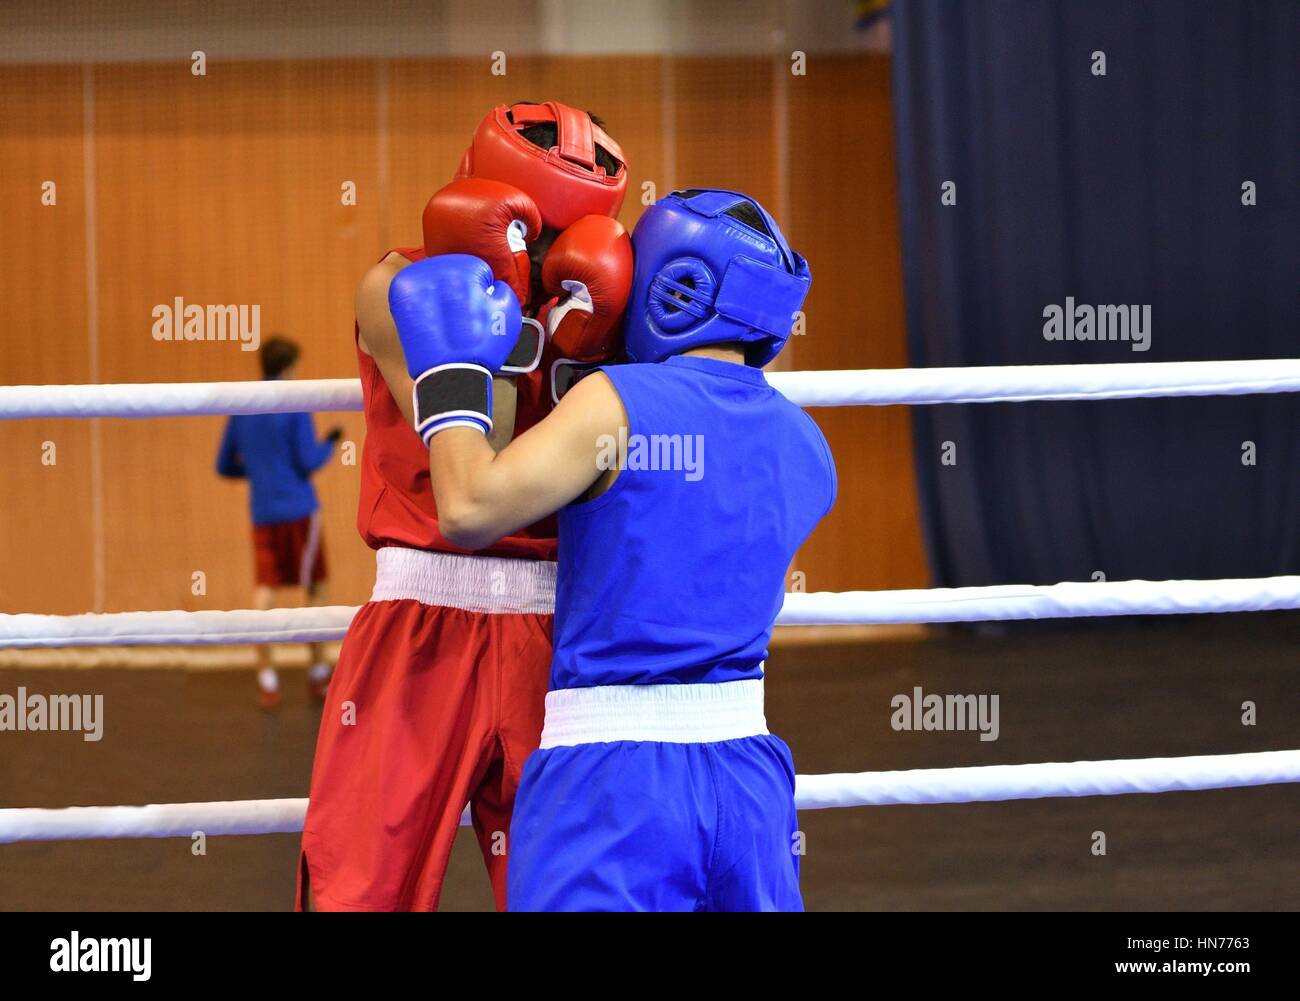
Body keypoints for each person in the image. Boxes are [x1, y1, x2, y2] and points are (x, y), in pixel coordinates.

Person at [388, 188, 836, 911]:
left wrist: (454, 374)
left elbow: (469, 508)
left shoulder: (613, 402)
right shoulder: (809, 448)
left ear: (666, 283)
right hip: (750, 781)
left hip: (613, 782)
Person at [298, 101, 632, 910]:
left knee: (571, 894)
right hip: (420, 623)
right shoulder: (396, 286)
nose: (549, 252)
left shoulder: (610, 305)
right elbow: (472, 460)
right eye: (534, 231)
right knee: (359, 888)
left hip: (562, 631)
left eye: (566, 236)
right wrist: (524, 329)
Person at [216, 335, 341, 710]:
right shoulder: (295, 400)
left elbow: (224, 465)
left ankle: (267, 678)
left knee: (265, 592)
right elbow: (308, 461)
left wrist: (258, 471)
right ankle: (318, 673)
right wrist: (331, 442)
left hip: (264, 511)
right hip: (301, 511)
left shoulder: (244, 406)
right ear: (290, 366)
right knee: (315, 588)